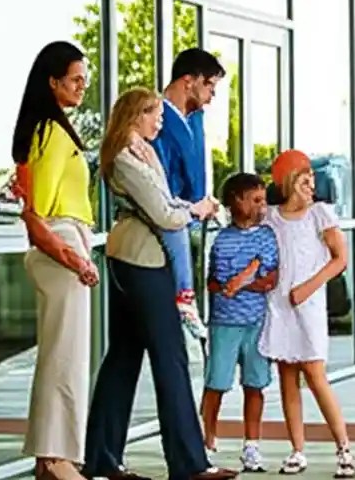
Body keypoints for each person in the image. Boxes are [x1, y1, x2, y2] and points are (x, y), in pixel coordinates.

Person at [81, 87, 237, 480]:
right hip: (142, 263)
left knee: (122, 359)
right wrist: (198, 208)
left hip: (131, 262)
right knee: (170, 359)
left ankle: (102, 458)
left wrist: (187, 209)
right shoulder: (126, 158)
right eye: (155, 115)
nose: (160, 121)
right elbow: (165, 215)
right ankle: (189, 465)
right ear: (136, 115)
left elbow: (165, 206)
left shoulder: (139, 153)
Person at [11, 41, 100, 480]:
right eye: (76, 79)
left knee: (64, 356)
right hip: (61, 244)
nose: (83, 86)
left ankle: (53, 460)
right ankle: (55, 458)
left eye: (84, 79)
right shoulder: (48, 130)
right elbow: (36, 216)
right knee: (64, 359)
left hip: (68, 243)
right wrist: (73, 258)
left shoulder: (54, 128)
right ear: (52, 81)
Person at [258, 150, 355, 477]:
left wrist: (308, 287)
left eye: (312, 180)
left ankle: (344, 448)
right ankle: (297, 450)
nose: (310, 186)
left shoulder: (320, 214)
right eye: (303, 180)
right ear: (288, 182)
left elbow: (339, 259)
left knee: (316, 376)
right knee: (288, 378)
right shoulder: (271, 217)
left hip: (309, 305)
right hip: (280, 305)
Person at [201, 172, 279, 472]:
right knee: (216, 384)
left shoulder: (267, 236)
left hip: (256, 322)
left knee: (255, 384)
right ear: (237, 201)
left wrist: (243, 282)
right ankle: (207, 442)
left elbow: (270, 278)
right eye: (256, 201)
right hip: (223, 323)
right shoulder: (221, 240)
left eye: (264, 201)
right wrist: (233, 283)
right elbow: (213, 282)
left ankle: (252, 446)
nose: (262, 207)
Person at [150, 48, 226, 341]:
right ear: (188, 80)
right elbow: (160, 180)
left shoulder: (195, 119)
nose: (212, 95)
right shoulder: (157, 119)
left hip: (194, 218)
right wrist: (192, 208)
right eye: (209, 85)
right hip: (170, 221)